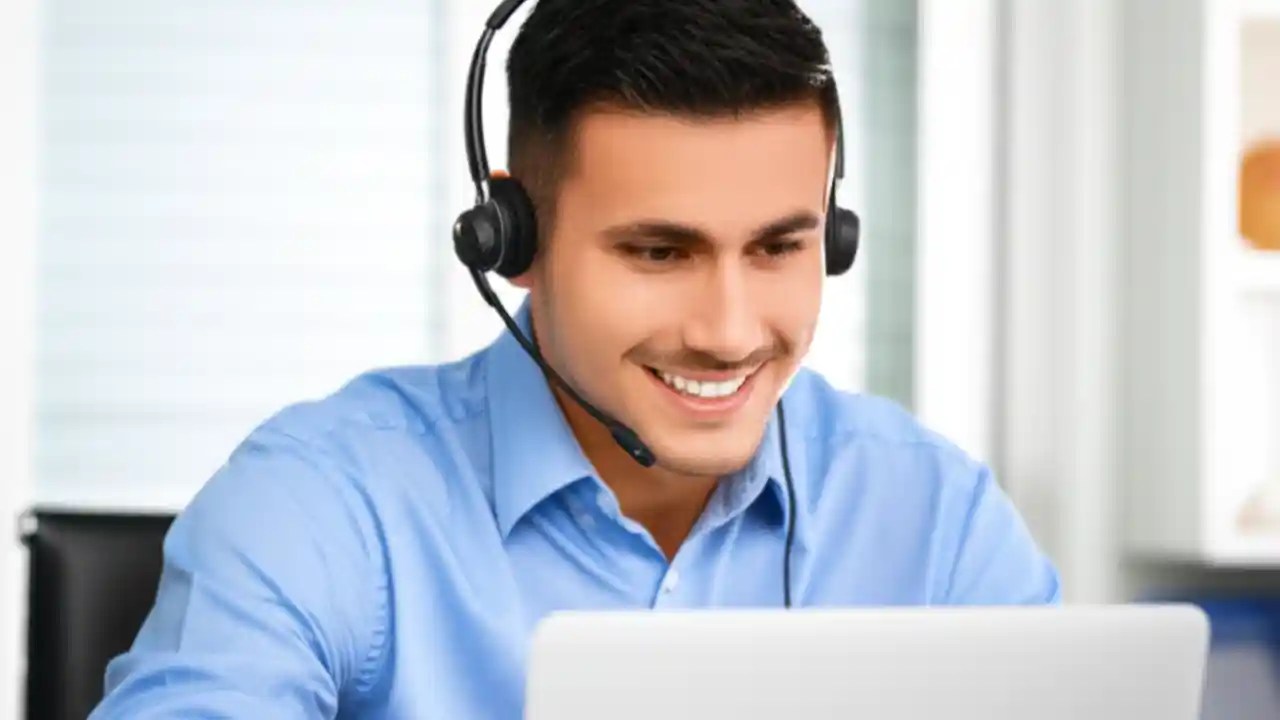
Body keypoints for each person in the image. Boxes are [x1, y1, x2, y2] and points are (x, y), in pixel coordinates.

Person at [92, 0, 1059, 717]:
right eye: (659, 252)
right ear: (513, 239)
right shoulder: (325, 500)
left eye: (777, 247)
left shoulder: (932, 516)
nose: (728, 332)